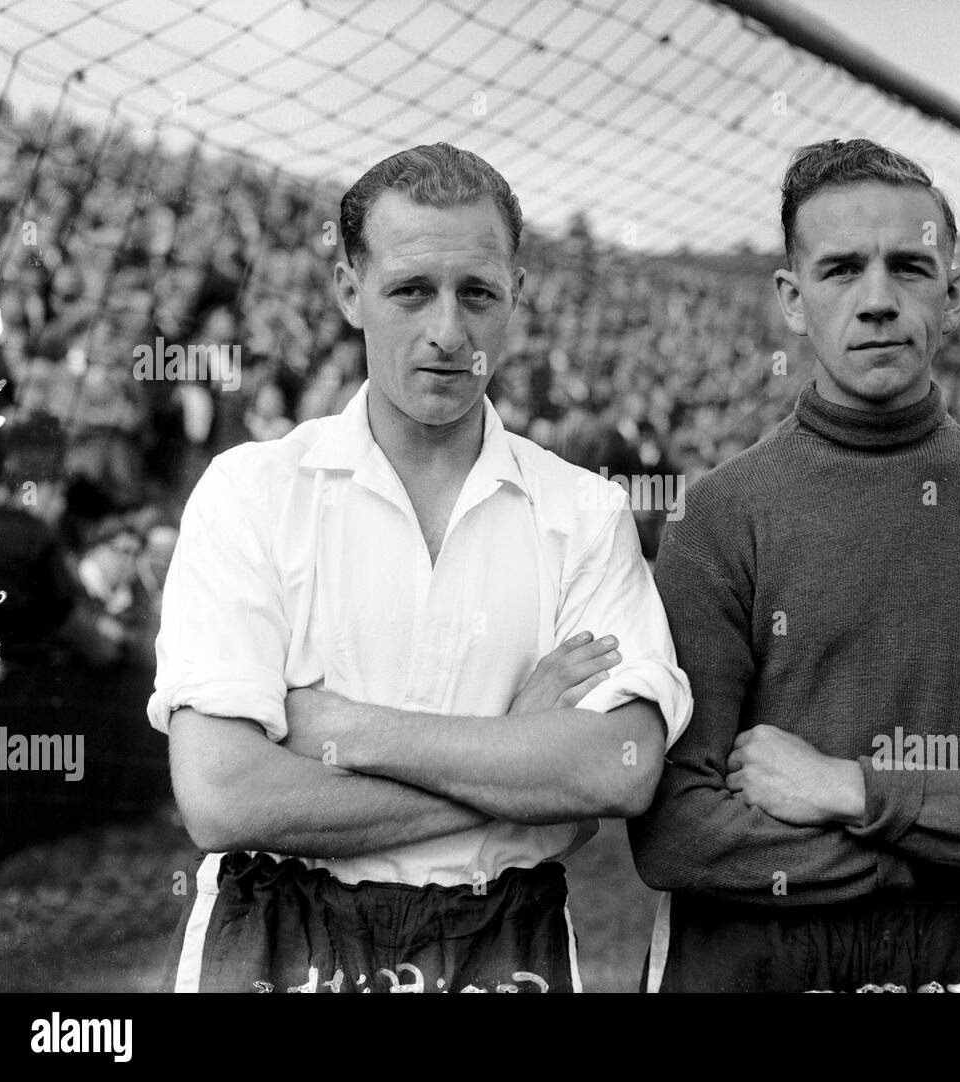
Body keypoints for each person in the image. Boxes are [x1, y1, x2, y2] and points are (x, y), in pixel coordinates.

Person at [149, 144, 691, 994]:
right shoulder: (250, 492)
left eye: (476, 291)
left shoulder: (586, 513)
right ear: (348, 292)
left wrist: (343, 729)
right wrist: (518, 765)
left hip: (503, 932)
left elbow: (618, 767)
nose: (447, 331)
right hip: (282, 929)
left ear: (516, 297)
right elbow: (223, 794)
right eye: (410, 290)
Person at [628, 138, 960, 993]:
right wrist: (933, 843)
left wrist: (854, 790)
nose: (876, 301)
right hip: (752, 957)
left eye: (909, 267)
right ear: (792, 299)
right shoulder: (718, 514)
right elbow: (677, 829)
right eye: (839, 270)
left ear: (955, 292)